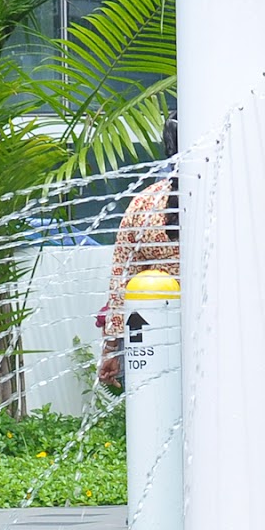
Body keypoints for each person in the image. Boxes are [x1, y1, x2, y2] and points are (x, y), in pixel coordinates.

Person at [98, 117, 180, 387]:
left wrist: (113, 348)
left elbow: (122, 278)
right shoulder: (228, 205)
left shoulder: (144, 204)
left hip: (157, 343)